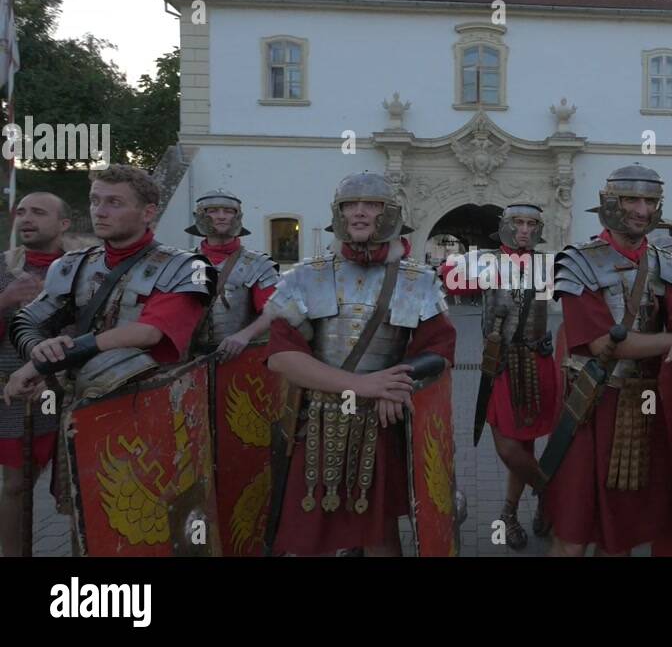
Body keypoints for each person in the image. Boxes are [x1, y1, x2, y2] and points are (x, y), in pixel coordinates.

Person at [3, 165, 215, 543]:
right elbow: (27, 320)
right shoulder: (72, 266)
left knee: (156, 520)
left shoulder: (189, 268)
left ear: (148, 211)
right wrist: (39, 347)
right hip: (83, 411)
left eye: (114, 203)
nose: (100, 211)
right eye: (96, 201)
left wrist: (48, 360)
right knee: (86, 522)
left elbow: (150, 331)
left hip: (155, 412)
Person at [265, 172, 456, 556]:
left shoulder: (418, 280)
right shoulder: (305, 276)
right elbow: (282, 357)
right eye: (351, 205)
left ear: (390, 214)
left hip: (382, 425)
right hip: (317, 421)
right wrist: (363, 386)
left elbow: (438, 351)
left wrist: (399, 383)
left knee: (380, 535)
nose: (360, 213)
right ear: (338, 213)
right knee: (308, 534)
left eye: (371, 204)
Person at [545, 163, 672, 557]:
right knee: (571, 534)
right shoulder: (578, 262)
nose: (642, 209)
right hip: (591, 407)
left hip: (642, 411)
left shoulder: (667, 264)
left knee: (619, 535)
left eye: (650, 200)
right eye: (632, 199)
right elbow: (605, 344)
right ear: (610, 202)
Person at [469, 203, 559, 549]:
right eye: (518, 223)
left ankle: (508, 512)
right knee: (508, 446)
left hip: (537, 360)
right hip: (501, 362)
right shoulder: (482, 262)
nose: (524, 230)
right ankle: (551, 493)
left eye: (531, 223)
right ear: (505, 226)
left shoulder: (550, 265)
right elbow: (447, 281)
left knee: (525, 443)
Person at [0, 192, 71, 556]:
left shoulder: (83, 268)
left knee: (81, 485)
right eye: (22, 212)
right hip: (19, 395)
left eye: (38, 212)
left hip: (74, 392)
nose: (26, 218)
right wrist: (5, 300)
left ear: (63, 224)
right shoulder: (3, 268)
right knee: (16, 485)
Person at [186, 188, 279, 359]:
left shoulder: (258, 265)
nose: (221, 216)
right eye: (213, 211)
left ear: (237, 217)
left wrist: (245, 335)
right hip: (189, 359)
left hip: (238, 359)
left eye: (228, 211)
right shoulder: (182, 263)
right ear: (199, 216)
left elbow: (275, 311)